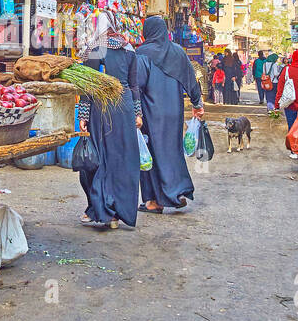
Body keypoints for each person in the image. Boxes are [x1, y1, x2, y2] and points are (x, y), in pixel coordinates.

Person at [136, 15, 204, 213]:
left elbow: (137, 86)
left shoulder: (142, 53)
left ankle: (153, 201)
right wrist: (197, 103)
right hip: (174, 112)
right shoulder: (178, 51)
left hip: (151, 112)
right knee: (171, 152)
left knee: (150, 155)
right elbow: (191, 80)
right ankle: (177, 191)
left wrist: (134, 112)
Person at [76, 21, 141, 229]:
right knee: (122, 159)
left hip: (103, 107)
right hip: (125, 107)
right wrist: (137, 113)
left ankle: (104, 211)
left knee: (100, 158)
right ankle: (119, 210)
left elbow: (88, 87)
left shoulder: (95, 50)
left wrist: (83, 115)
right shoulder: (129, 49)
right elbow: (134, 85)